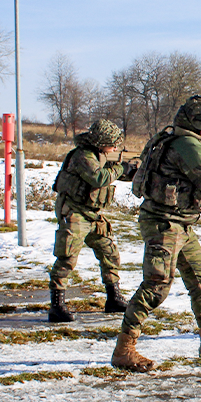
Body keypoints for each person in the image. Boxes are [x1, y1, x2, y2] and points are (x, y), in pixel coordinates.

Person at [113, 95, 201, 372]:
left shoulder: (180, 138)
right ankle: (124, 349)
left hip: (180, 223)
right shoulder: (186, 144)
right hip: (165, 223)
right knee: (156, 285)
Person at [48, 120, 137, 323]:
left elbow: (109, 174)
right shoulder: (83, 156)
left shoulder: (98, 155)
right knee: (67, 257)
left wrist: (129, 170)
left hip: (93, 214)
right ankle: (57, 305)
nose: (115, 148)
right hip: (75, 213)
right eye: (112, 143)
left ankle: (113, 297)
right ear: (101, 142)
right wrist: (120, 169)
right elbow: (98, 178)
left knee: (109, 253)